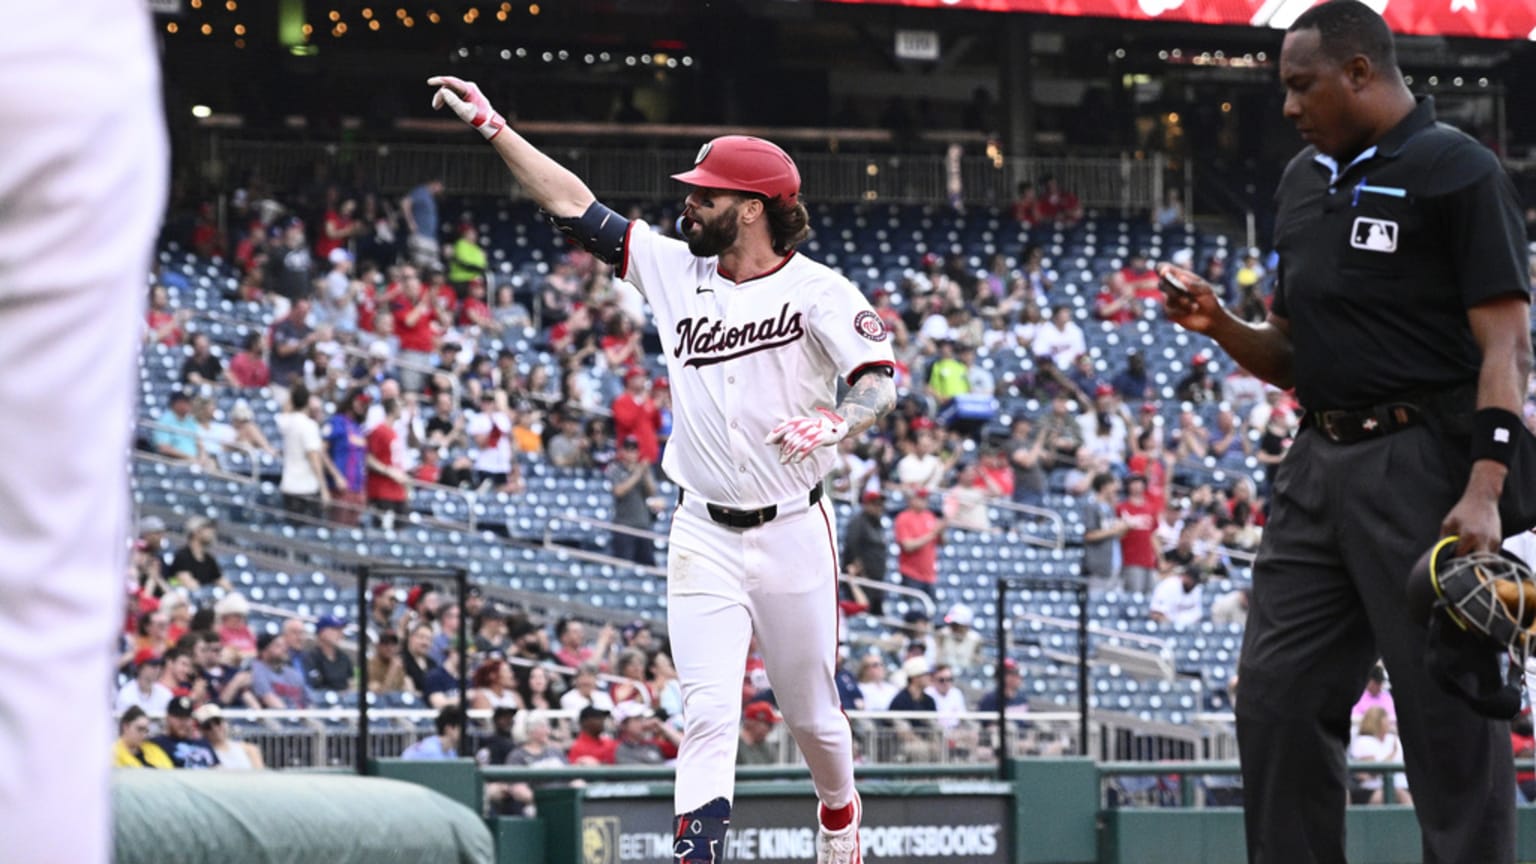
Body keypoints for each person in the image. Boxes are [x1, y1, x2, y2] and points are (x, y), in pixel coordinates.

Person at [430, 76, 898, 864]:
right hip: (701, 529)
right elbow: (574, 205)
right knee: (709, 710)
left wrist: (840, 420)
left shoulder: (820, 290)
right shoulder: (675, 269)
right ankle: (697, 855)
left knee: (812, 714)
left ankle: (840, 813)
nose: (690, 204)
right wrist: (492, 125)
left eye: (707, 195)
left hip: (792, 530)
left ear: (752, 207)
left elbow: (878, 381)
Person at [1156, 4, 1532, 861]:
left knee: (1448, 717)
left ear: (1358, 72)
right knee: (1276, 701)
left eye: (1301, 85)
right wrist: (1220, 325)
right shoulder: (1301, 182)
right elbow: (1290, 353)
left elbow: (1507, 346)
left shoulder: (1457, 170)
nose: (1288, 107)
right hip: (1317, 461)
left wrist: (1485, 489)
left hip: (1425, 464)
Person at [149, 697, 220, 769]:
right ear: (168, 718)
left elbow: (218, 770)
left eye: (187, 717)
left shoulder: (203, 743)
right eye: (178, 716)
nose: (183, 722)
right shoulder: (157, 744)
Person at [194, 704, 265, 771]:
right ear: (201, 730)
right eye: (207, 726)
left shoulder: (250, 749)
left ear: (224, 722)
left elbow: (260, 776)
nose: (215, 728)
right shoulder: (204, 756)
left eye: (217, 722)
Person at [736, 700, 781, 765]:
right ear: (753, 723)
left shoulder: (765, 747)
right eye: (769, 724)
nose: (771, 729)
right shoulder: (735, 746)